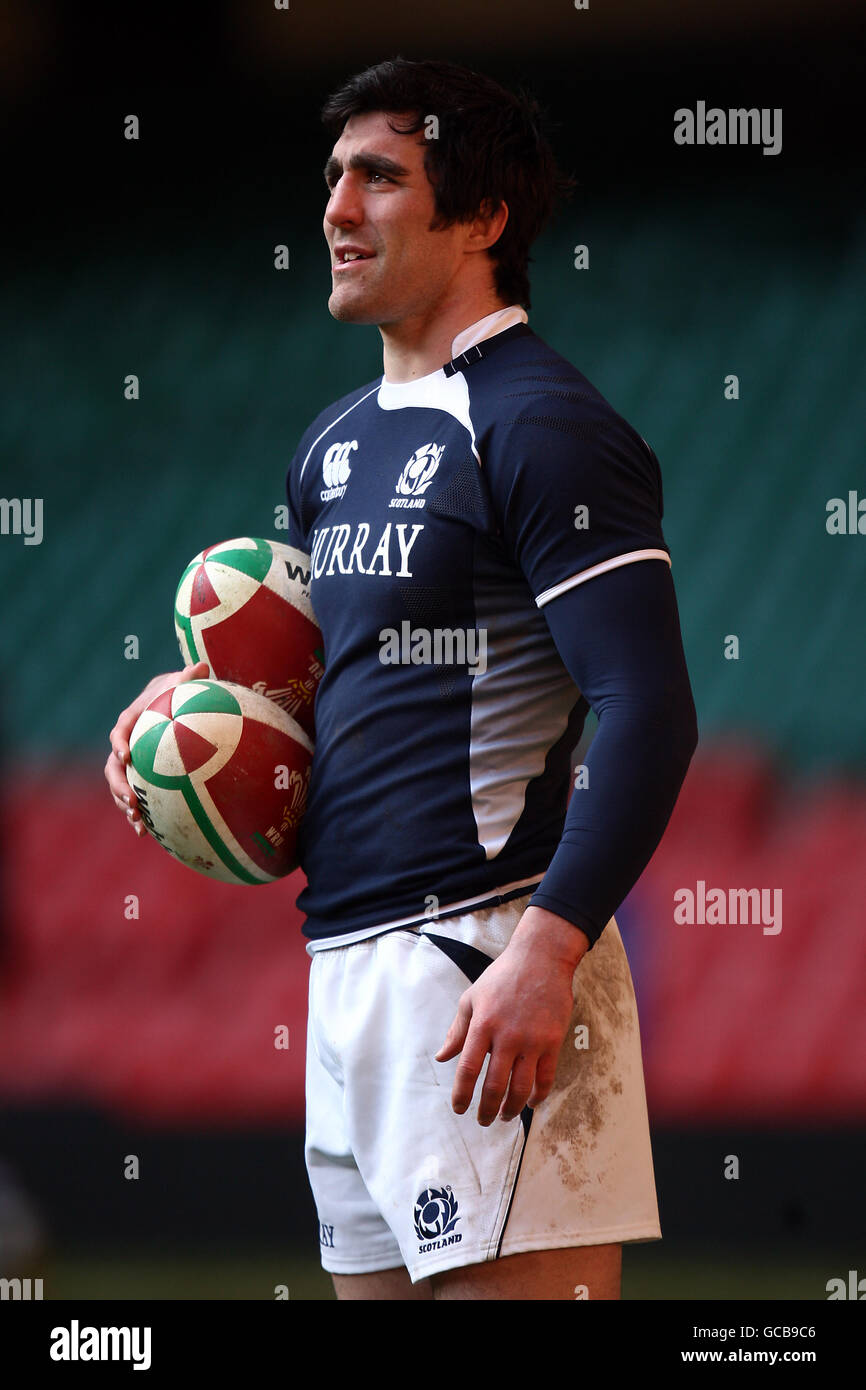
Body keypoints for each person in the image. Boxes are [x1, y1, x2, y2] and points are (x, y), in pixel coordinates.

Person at [105, 58, 698, 1301]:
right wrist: (184, 741)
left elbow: (649, 711)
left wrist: (546, 954)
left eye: (379, 176)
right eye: (332, 177)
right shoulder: (329, 444)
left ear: (481, 219)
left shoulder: (542, 425)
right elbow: (343, 709)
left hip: (490, 960)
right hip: (345, 982)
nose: (335, 208)